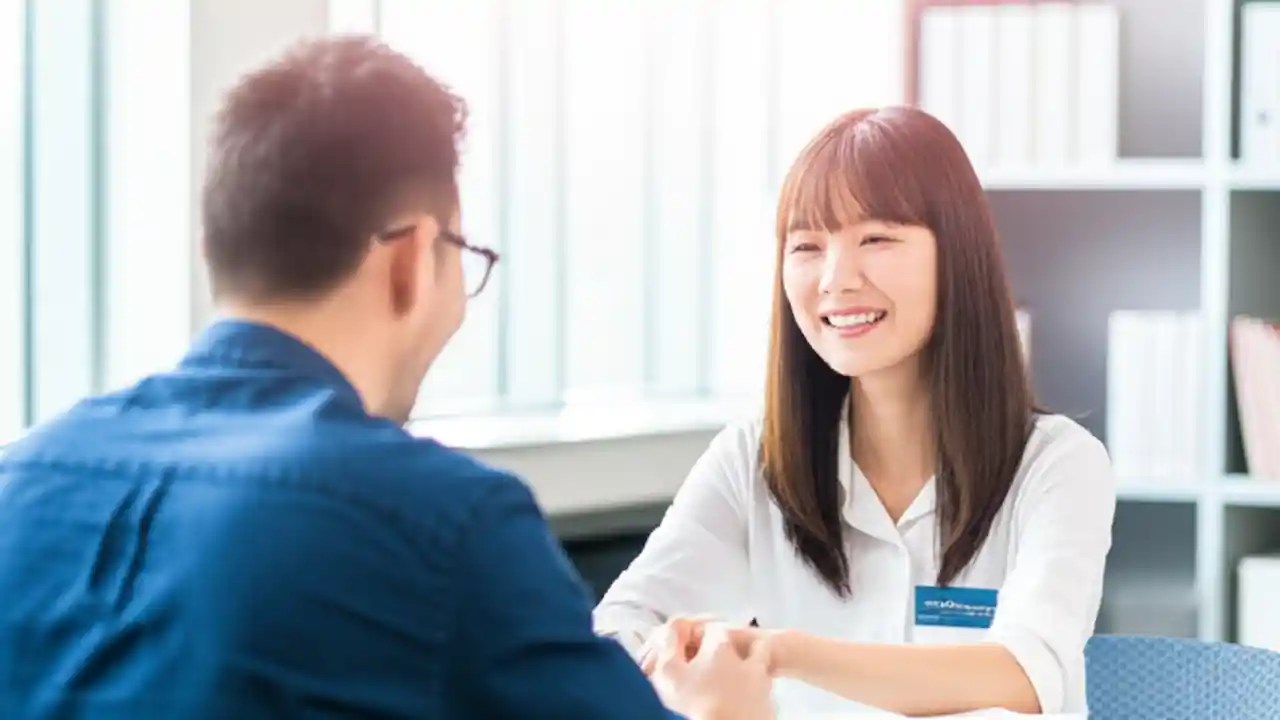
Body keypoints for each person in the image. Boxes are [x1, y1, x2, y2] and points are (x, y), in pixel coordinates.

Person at [0, 37, 773, 720]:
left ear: (212, 250)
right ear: (409, 258)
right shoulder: (442, 523)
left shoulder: (22, 479)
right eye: (463, 258)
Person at [594, 106, 1117, 716]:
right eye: (807, 246)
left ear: (958, 257)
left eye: (876, 239)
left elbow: (1026, 675)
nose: (836, 279)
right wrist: (666, 657)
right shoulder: (753, 459)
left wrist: (781, 653)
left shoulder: (1057, 464)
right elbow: (617, 632)